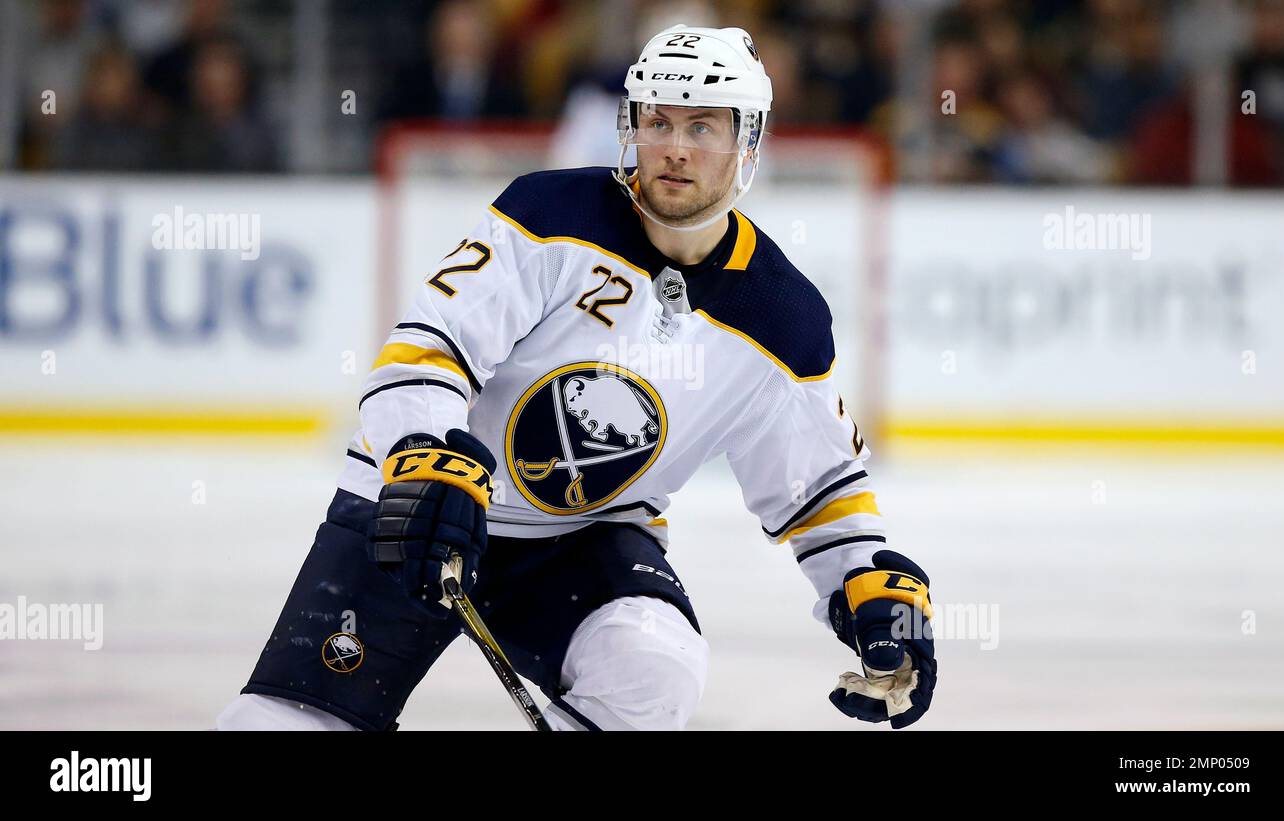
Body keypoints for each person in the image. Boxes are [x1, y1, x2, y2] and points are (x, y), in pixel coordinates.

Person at [216, 24, 937, 732]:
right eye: (658, 120)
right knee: (276, 723)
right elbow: (427, 349)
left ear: (748, 141)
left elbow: (823, 491)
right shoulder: (550, 214)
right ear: (631, 125)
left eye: (704, 127)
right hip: (424, 502)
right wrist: (421, 450)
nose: (676, 148)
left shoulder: (783, 317)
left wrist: (871, 589)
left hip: (582, 538)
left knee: (656, 667)